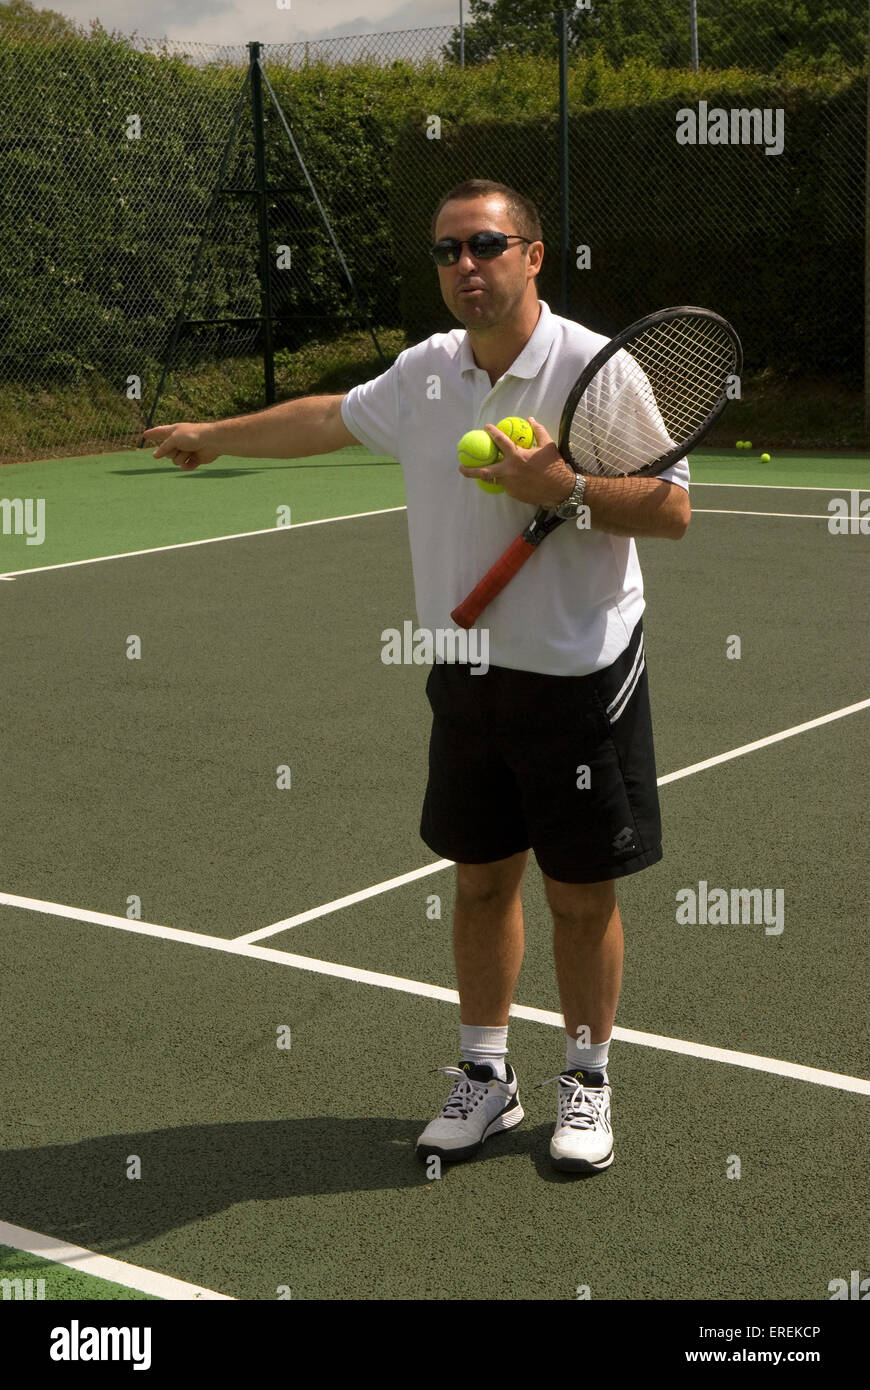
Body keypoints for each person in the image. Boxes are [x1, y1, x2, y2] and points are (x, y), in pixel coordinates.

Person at [145, 178, 690, 1176]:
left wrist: (561, 488)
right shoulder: (426, 373)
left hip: (578, 675)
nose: (465, 267)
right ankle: (486, 1075)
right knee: (479, 883)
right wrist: (212, 436)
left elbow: (671, 508)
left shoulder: (593, 373)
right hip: (467, 672)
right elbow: (326, 418)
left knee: (579, 895)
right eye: (447, 251)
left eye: (486, 245)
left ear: (533, 256)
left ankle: (588, 1079)